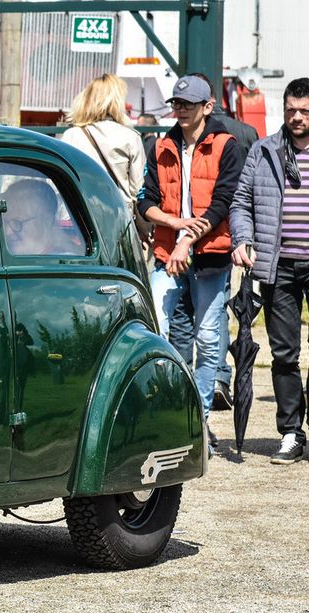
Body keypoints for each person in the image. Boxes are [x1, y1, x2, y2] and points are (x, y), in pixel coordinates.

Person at [139, 75, 243, 447]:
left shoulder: (226, 145)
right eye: (176, 103)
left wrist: (186, 239)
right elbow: (145, 200)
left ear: (207, 107)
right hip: (169, 253)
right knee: (161, 326)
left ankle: (198, 419)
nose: (180, 109)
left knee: (210, 337)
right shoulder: (160, 144)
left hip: (210, 256)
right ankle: (172, 413)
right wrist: (173, 223)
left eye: (188, 104)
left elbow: (223, 202)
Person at [230, 77, 309, 464]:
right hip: (278, 267)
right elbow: (241, 201)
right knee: (284, 353)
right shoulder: (264, 151)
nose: (297, 117)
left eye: (304, 111)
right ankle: (291, 432)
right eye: (291, 110)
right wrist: (241, 240)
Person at [58, 74, 145, 211]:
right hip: (117, 215)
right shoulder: (129, 137)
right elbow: (138, 188)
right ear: (117, 101)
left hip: (80, 213)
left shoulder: (71, 135)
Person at [1, 179, 82, 256]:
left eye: (17, 223)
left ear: (47, 221)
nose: (8, 232)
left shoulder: (62, 264)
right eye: (5, 222)